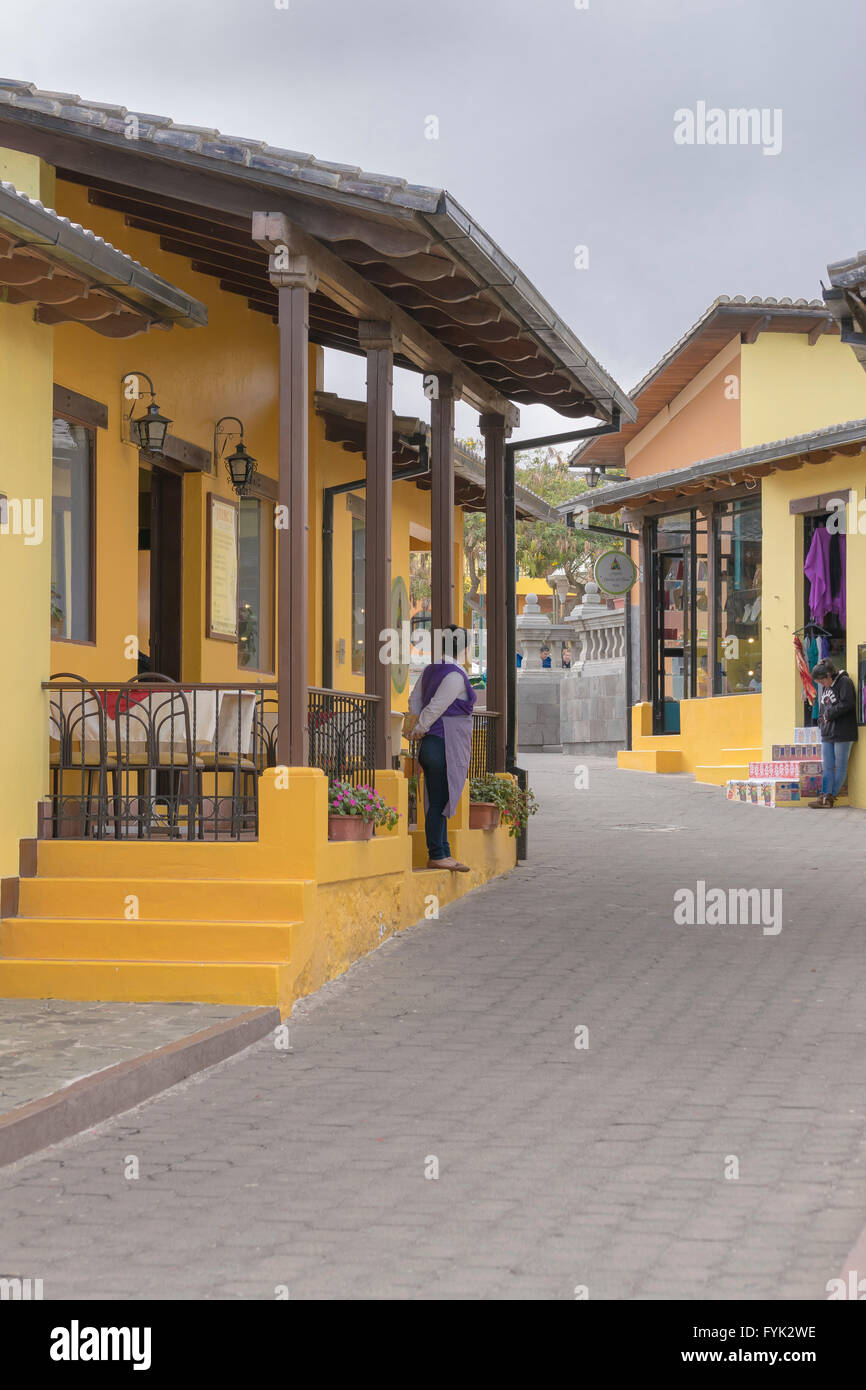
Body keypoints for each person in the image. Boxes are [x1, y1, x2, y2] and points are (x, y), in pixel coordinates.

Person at [403, 624, 476, 870]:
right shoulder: (455, 676)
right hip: (444, 744)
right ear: (464, 648)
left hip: (432, 745)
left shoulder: (429, 670)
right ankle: (437, 853)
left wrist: (416, 725)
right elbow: (436, 706)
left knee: (438, 799)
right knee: (439, 800)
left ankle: (443, 852)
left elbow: (415, 699)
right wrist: (420, 727)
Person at [809, 659, 857, 808]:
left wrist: (829, 715)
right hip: (828, 733)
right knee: (827, 766)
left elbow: (848, 703)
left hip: (843, 732)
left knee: (840, 766)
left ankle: (830, 797)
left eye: (822, 681)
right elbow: (823, 708)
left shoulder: (845, 682)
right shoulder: (826, 687)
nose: (822, 685)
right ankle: (824, 796)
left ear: (829, 675)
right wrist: (821, 723)